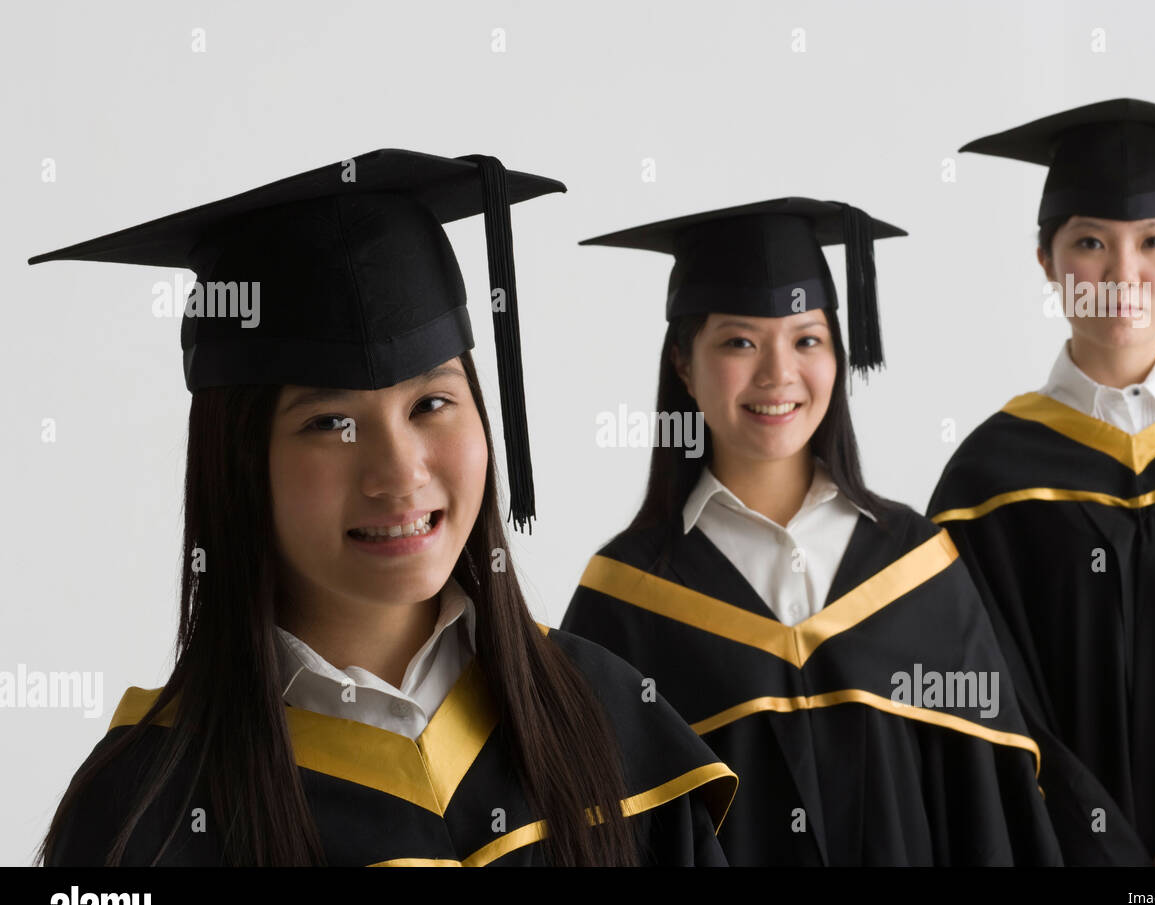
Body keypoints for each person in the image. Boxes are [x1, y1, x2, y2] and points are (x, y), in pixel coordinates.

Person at [32, 149, 736, 867]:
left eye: (431, 404)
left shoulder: (610, 723)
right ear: (238, 465)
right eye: (329, 424)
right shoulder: (146, 810)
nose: (399, 473)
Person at [561, 198, 1062, 865]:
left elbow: (988, 819)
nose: (778, 375)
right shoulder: (624, 603)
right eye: (740, 342)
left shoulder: (917, 567)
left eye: (807, 339)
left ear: (837, 356)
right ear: (683, 363)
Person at [928, 99, 1155, 865]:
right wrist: (1092, 845)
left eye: (1153, 242)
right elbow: (986, 705)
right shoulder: (988, 479)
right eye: (1090, 242)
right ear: (1045, 261)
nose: (1122, 274)